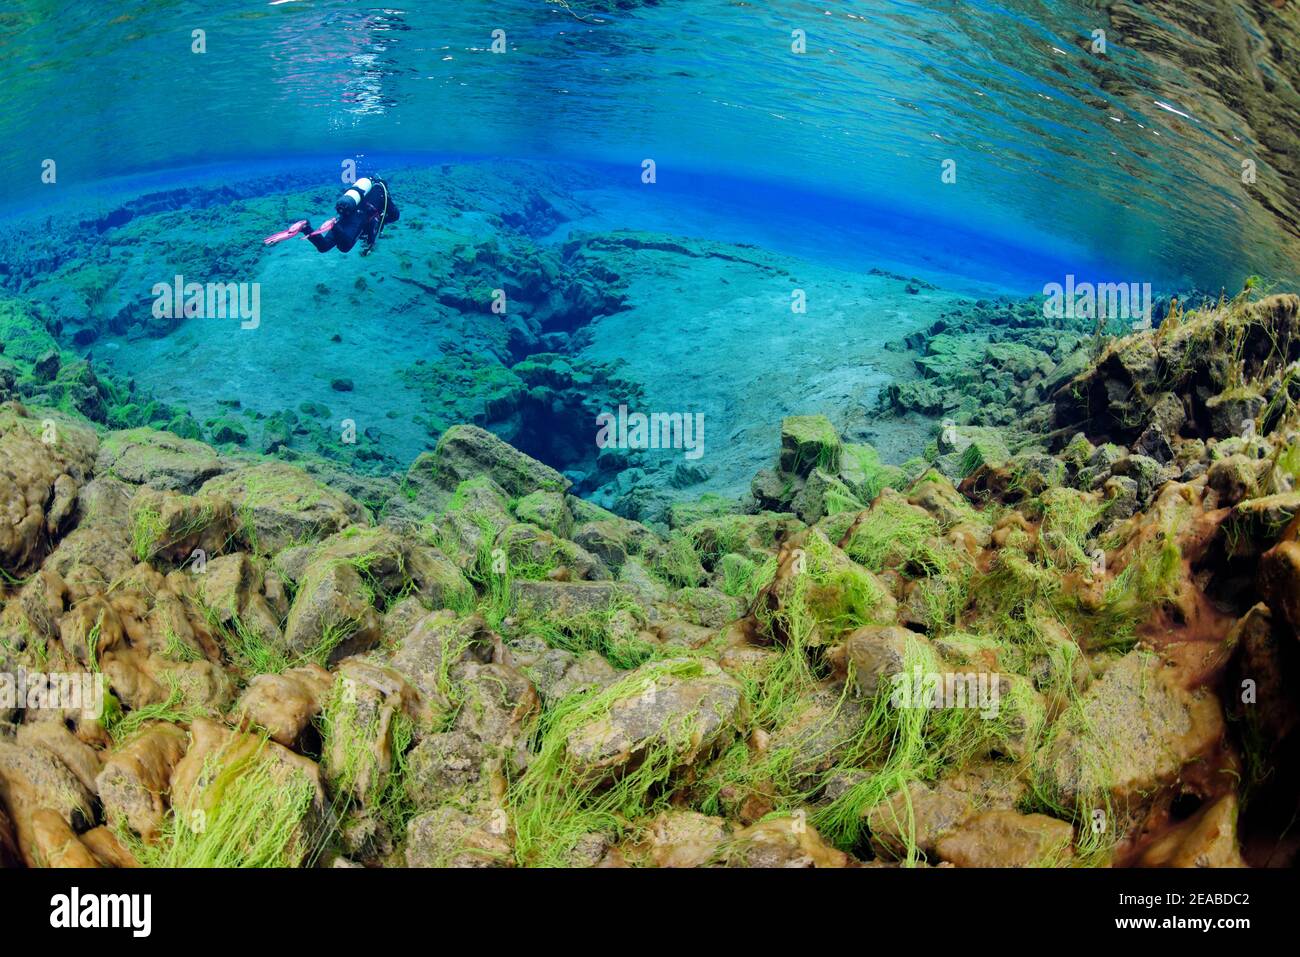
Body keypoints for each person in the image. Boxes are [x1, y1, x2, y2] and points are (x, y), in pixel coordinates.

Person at [263, 177, 399, 255]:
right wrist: (382, 219)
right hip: (355, 221)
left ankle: (305, 227)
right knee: (344, 247)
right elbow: (395, 216)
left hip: (343, 216)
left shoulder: (361, 190)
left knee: (324, 247)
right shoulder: (383, 195)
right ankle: (332, 226)